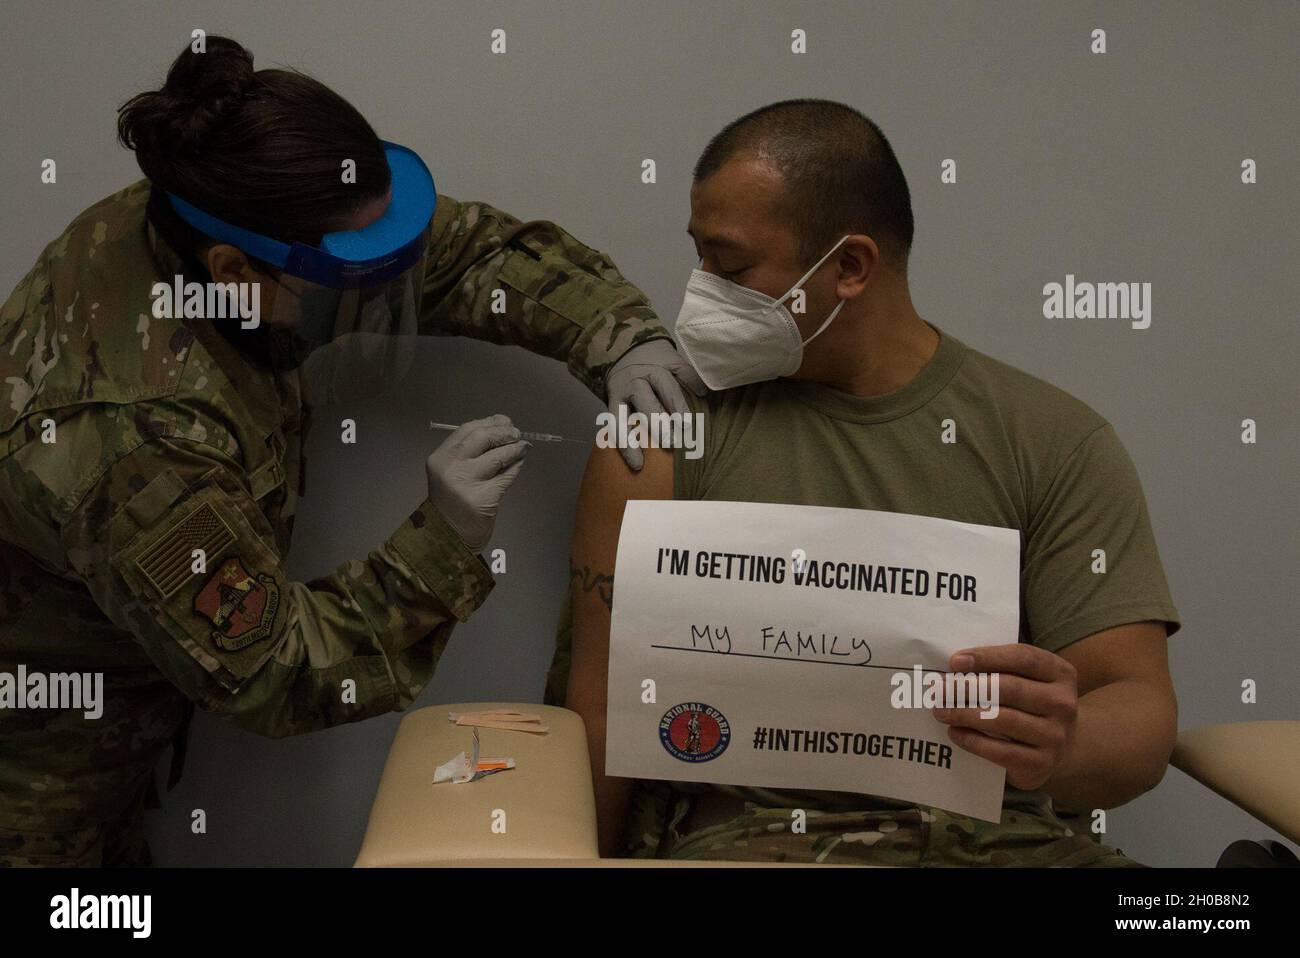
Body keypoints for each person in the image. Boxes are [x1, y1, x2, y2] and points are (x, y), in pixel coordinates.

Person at [0, 36, 701, 866]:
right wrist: (441, 539)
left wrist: (620, 337)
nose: (381, 293)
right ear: (234, 274)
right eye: (352, 277)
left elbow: (457, 254)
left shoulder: (204, 204)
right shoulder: (134, 444)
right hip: (36, 773)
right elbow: (273, 673)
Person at [553, 99, 1182, 866]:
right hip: (761, 847)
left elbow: (1141, 716)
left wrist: (1066, 739)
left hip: (1014, 844)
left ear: (850, 267)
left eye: (732, 265)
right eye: (701, 257)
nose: (701, 292)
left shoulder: (1052, 440)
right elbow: (600, 712)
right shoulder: (660, 440)